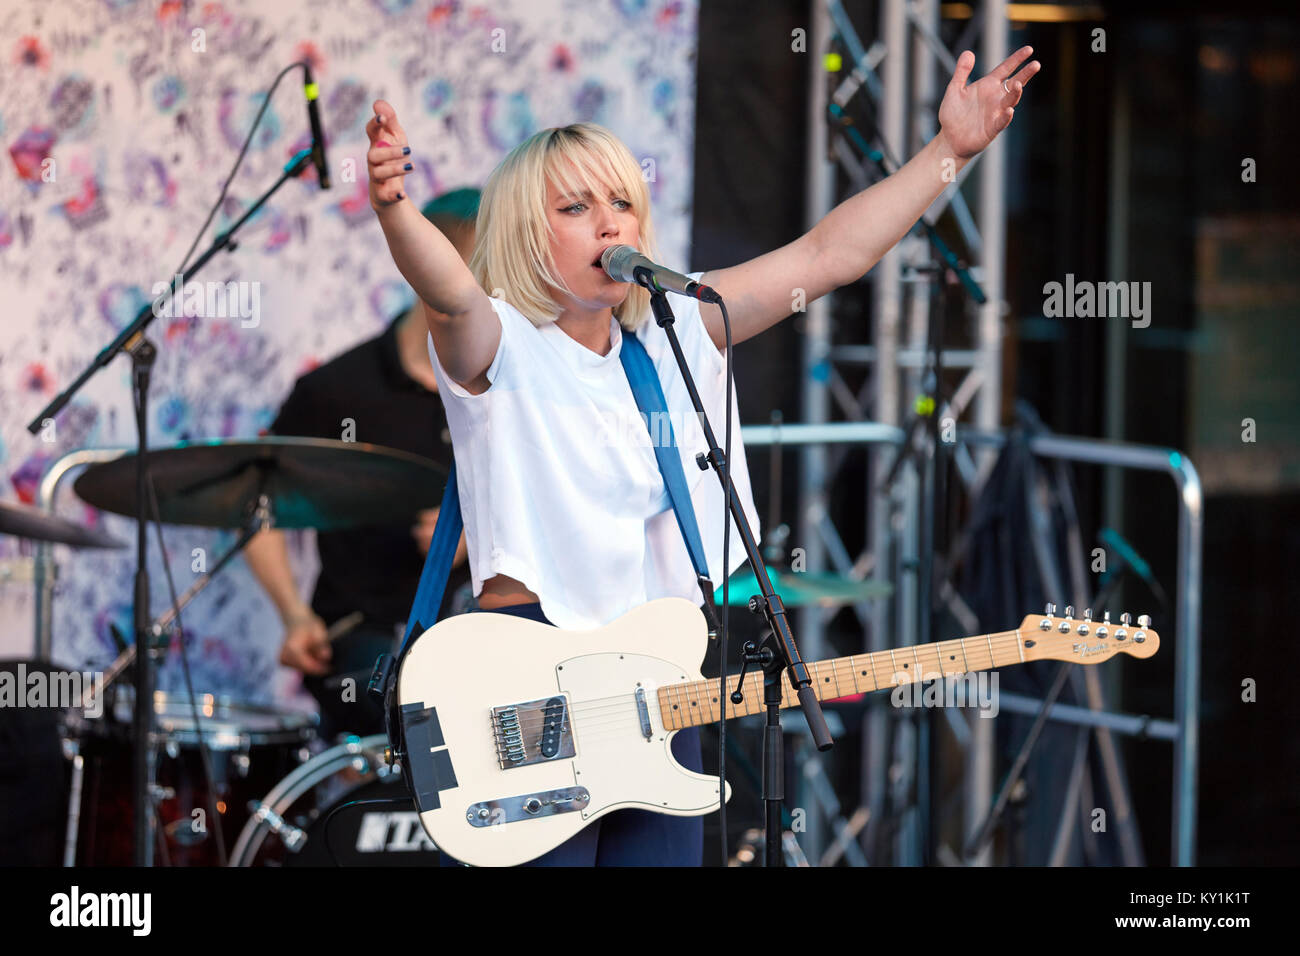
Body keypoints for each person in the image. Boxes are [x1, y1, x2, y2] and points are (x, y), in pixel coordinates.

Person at [366, 47, 1040, 866]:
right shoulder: (502, 345)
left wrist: (949, 155)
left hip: (654, 683)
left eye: (623, 201)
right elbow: (450, 294)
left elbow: (828, 255)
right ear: (522, 233)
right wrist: (397, 209)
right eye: (578, 207)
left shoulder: (674, 336)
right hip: (529, 677)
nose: (612, 222)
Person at [244, 190, 479, 740]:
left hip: (484, 629)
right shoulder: (337, 389)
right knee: (418, 729)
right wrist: (294, 615)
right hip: (363, 632)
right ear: (427, 266)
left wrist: (485, 530)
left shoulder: (514, 382)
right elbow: (257, 505)